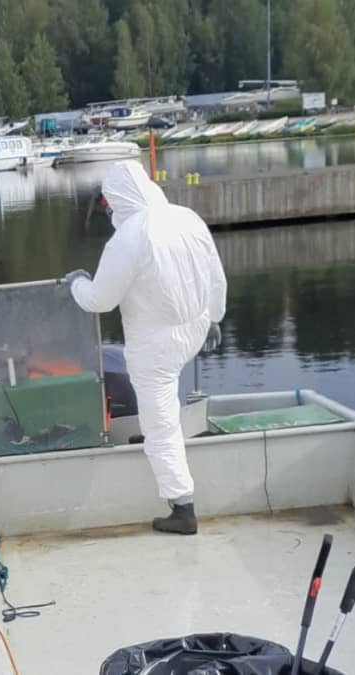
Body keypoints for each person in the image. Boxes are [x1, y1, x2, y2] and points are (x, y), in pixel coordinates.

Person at [65, 160, 227, 536]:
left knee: (161, 423)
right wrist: (215, 316)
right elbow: (215, 274)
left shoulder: (128, 238)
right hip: (196, 327)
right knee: (161, 408)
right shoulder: (186, 217)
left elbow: (100, 300)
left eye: (108, 203)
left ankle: (182, 508)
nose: (108, 211)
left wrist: (77, 283)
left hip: (156, 344)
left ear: (118, 198)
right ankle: (155, 438)